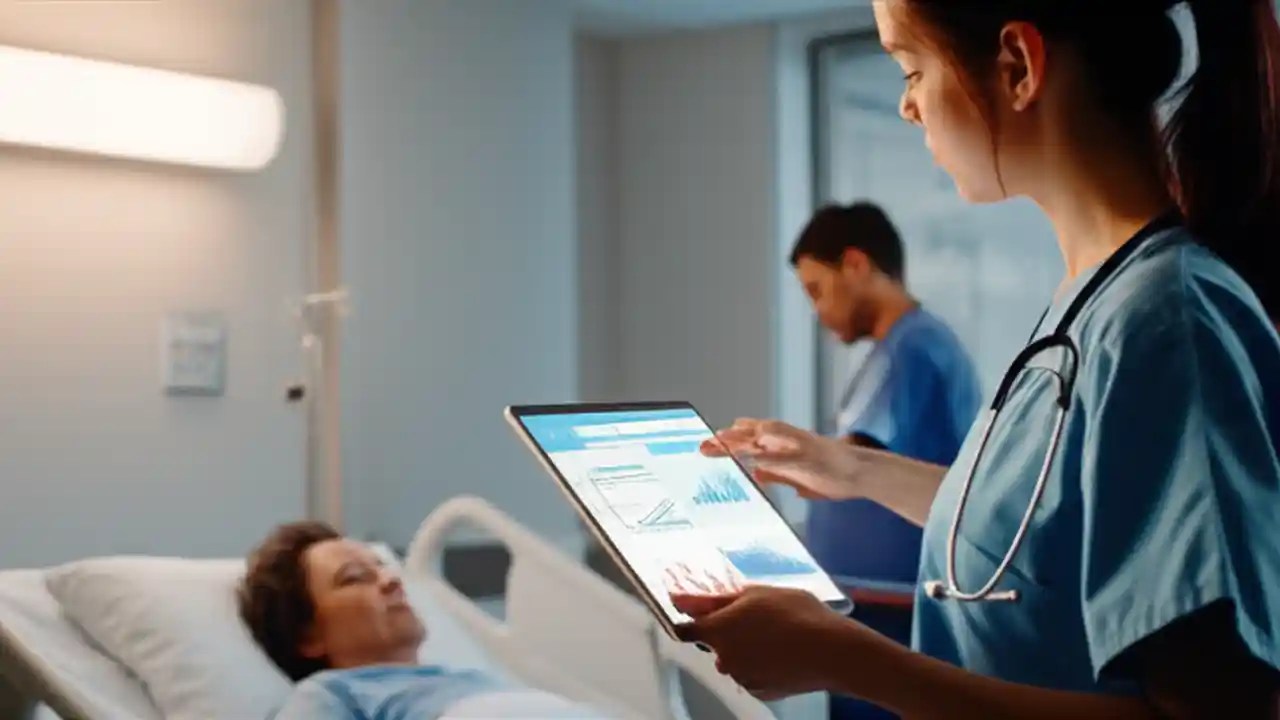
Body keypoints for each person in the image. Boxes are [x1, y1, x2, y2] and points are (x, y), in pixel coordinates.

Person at [670, 0, 1280, 717]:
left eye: (912, 68)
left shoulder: (1164, 320)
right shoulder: (1091, 303)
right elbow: (1034, 536)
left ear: (1017, 66)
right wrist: (852, 469)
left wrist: (845, 658)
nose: (906, 106)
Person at [790, 202, 982, 718]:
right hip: (874, 610)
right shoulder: (904, 349)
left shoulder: (912, 349)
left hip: (894, 616)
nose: (818, 311)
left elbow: (850, 461)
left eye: (817, 290)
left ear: (855, 265)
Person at [237, 521, 608, 719]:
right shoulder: (333, 693)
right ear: (307, 636)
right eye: (354, 578)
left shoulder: (470, 677)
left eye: (381, 566)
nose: (391, 579)